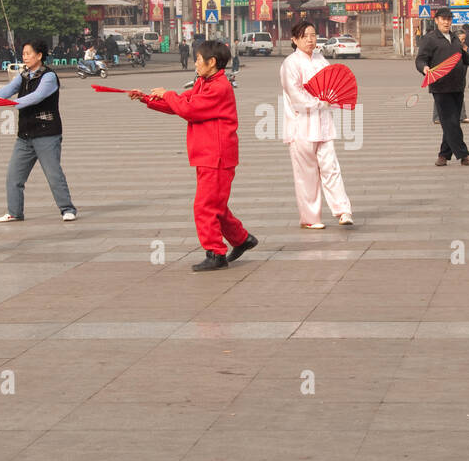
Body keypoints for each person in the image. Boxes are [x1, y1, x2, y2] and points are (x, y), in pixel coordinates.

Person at [130, 40, 257, 272]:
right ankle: (241, 239)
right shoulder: (205, 82)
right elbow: (182, 104)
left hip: (216, 155)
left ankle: (216, 253)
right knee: (214, 205)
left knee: (205, 206)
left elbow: (188, 108)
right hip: (207, 154)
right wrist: (147, 99)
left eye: (198, 59)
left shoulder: (219, 87)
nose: (195, 63)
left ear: (212, 62)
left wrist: (167, 94)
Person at [0, 40, 78, 223]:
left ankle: (67, 209)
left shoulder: (49, 77)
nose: (25, 57)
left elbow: (37, 97)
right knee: (14, 176)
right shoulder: (23, 75)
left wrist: (11, 104)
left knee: (53, 174)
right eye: (23, 54)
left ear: (39, 56)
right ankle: (15, 212)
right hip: (25, 135)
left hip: (47, 133)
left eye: (28, 54)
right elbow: (8, 89)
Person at [280, 21, 354, 229]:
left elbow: (332, 84)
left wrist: (333, 98)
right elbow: (295, 95)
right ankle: (310, 218)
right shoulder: (290, 64)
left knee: (331, 167)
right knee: (307, 174)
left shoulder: (321, 60)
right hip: (300, 126)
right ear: (294, 40)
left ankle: (343, 210)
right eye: (305, 36)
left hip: (323, 124)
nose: (310, 40)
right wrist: (319, 102)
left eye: (313, 35)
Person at [416, 9, 469, 165]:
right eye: (443, 19)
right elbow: (420, 59)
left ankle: (443, 155)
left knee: (451, 121)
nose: (446, 22)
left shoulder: (454, 37)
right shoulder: (430, 39)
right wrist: (424, 68)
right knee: (451, 122)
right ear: (436, 20)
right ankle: (464, 155)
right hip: (440, 86)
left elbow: (463, 56)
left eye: (449, 19)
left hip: (457, 85)